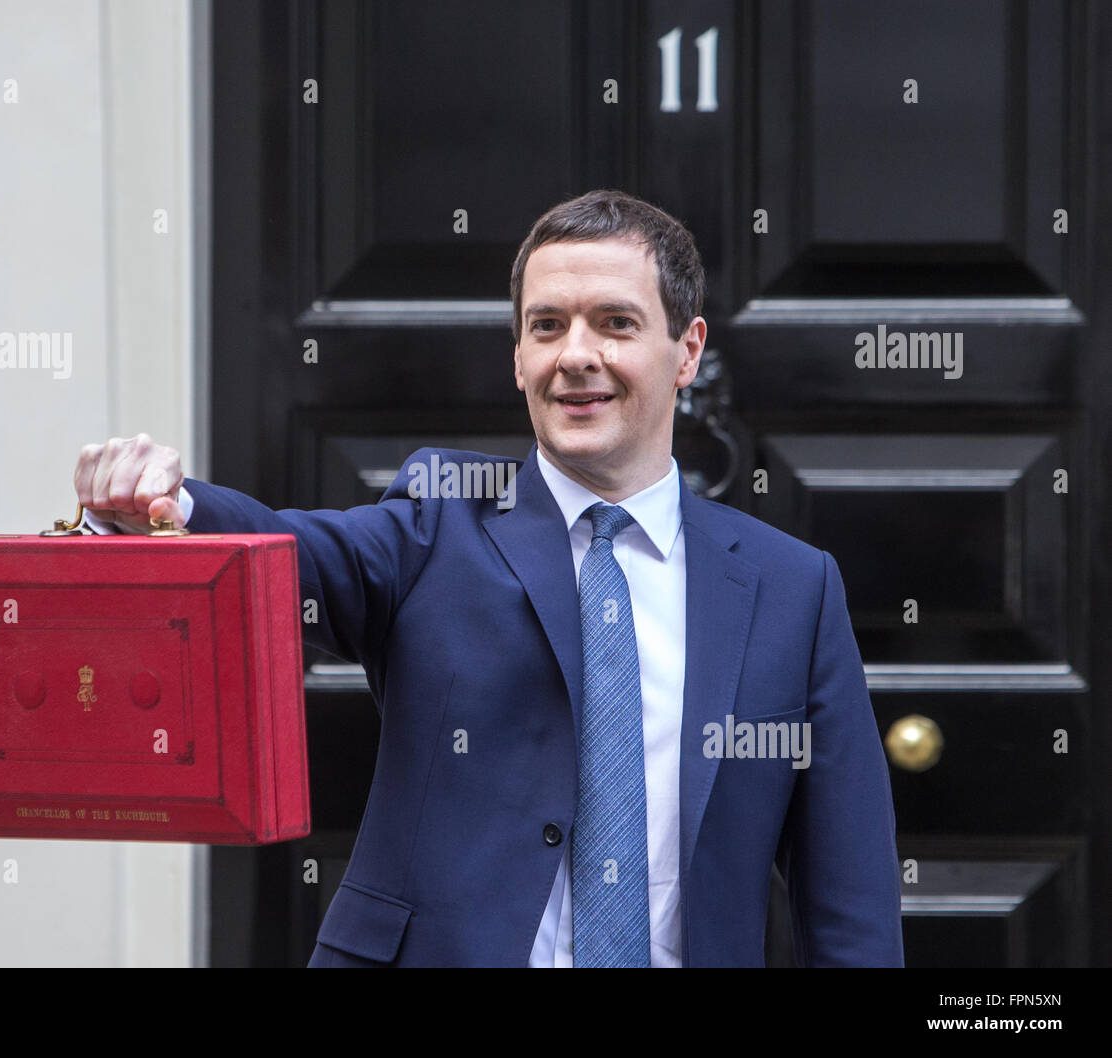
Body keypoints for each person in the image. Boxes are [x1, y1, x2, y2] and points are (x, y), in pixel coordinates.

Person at [75, 189, 904, 967]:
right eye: (547, 326)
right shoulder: (439, 523)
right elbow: (291, 556)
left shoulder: (791, 588)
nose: (576, 356)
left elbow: (850, 897)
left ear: (685, 351)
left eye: (614, 323)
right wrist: (168, 504)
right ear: (518, 357)